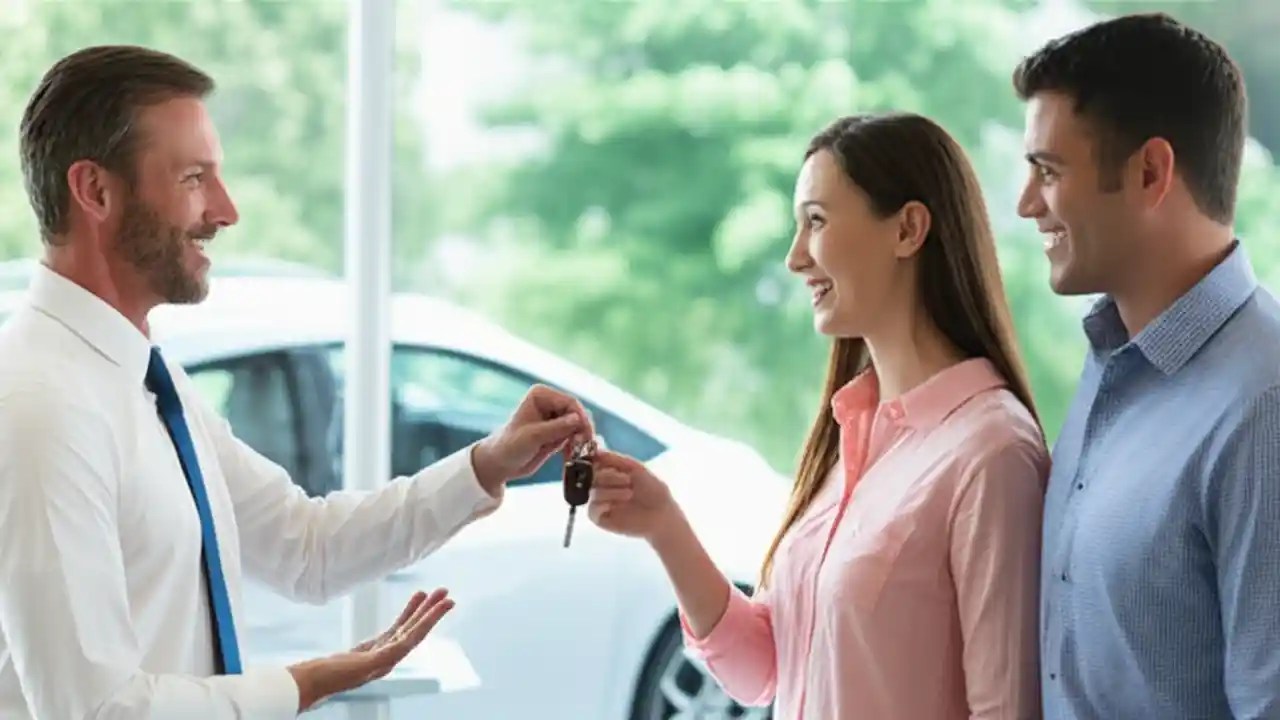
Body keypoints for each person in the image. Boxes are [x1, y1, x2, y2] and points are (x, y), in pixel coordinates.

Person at [0, 45, 593, 719]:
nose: (225, 211)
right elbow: (94, 709)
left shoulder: (142, 382)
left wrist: (488, 464)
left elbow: (304, 546)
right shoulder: (40, 406)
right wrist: (304, 684)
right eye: (195, 178)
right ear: (96, 191)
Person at [586, 113, 1049, 719]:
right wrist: (662, 524)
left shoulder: (992, 453)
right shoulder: (851, 435)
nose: (794, 257)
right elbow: (765, 672)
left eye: (817, 222)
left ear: (908, 228)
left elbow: (1007, 710)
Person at [1012, 13, 1280, 720]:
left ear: (1150, 172)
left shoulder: (1266, 404)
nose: (1025, 203)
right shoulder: (1112, 358)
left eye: (1048, 170)